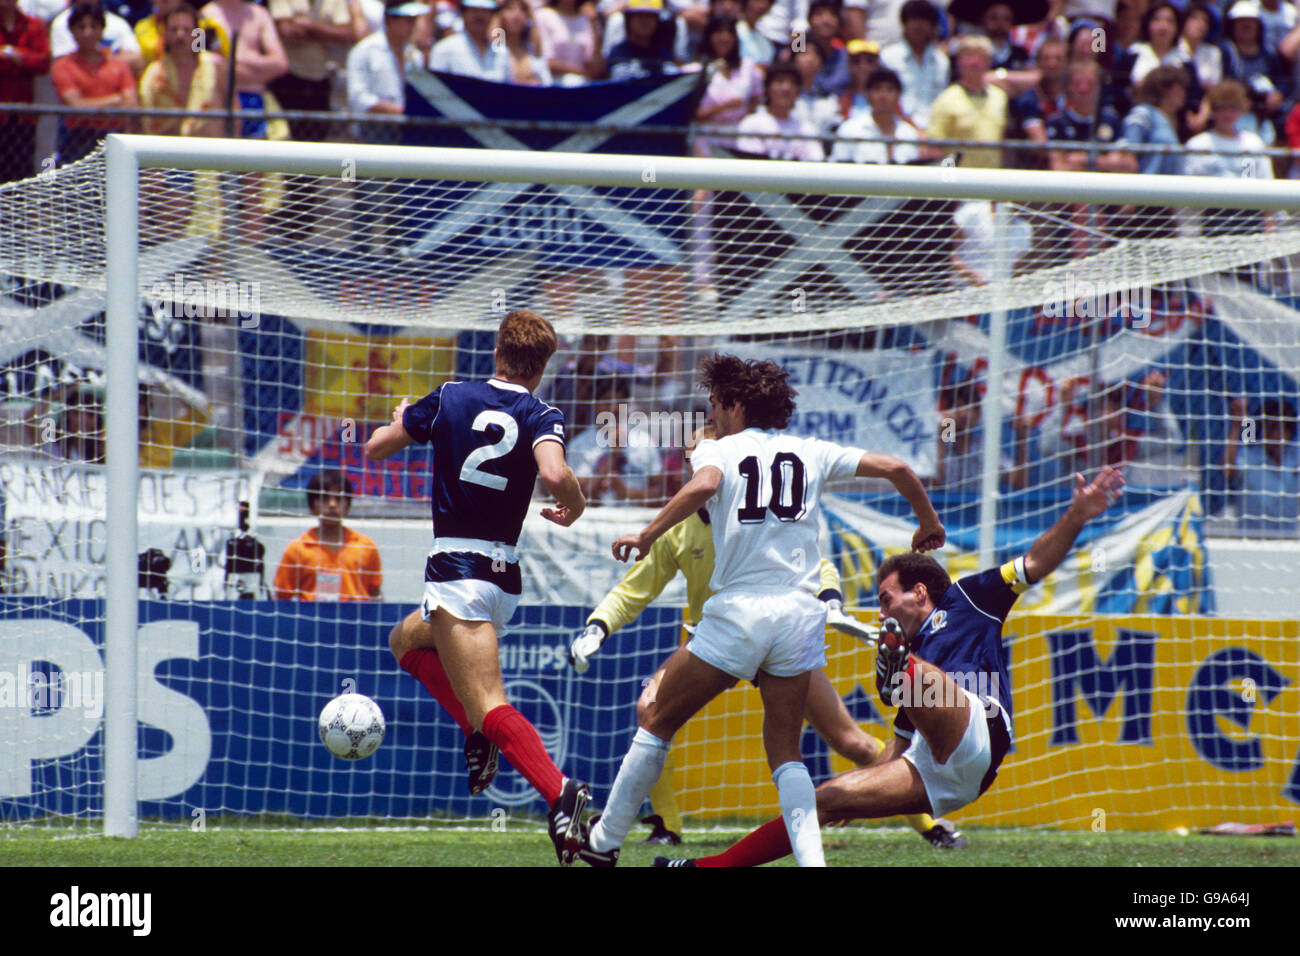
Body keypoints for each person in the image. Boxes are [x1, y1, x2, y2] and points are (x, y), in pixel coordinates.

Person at [575, 353, 946, 866]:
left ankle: (603, 842)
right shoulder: (811, 450)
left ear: (735, 403)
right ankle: (812, 865)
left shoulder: (719, 448)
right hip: (799, 615)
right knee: (786, 753)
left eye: (715, 403)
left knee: (657, 716)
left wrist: (646, 532)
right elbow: (898, 467)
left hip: (739, 612)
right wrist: (927, 522)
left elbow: (704, 485)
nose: (713, 414)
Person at [658, 466, 1126, 867]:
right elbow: (898, 747)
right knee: (821, 799)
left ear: (920, 592)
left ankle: (899, 672)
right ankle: (707, 866)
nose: (880, 611)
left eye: (886, 600)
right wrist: (858, 793)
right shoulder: (912, 649)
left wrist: (1078, 514)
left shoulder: (970, 599)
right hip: (936, 772)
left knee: (922, 679)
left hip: (977, 731)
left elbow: (1034, 563)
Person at [363, 309, 594, 865]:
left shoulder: (448, 396)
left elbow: (374, 449)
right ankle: (478, 729)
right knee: (405, 641)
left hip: (456, 569)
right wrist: (576, 506)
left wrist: (400, 416)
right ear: (541, 368)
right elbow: (557, 476)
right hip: (501, 574)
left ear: (496, 352)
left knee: (490, 702)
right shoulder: (542, 411)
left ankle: (561, 793)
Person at [272, 469, 383, 601]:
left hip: (356, 620)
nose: (332, 504)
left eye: (339, 498)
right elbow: (281, 599)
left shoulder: (366, 546)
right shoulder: (297, 549)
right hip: (312, 620)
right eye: (324, 498)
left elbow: (375, 595)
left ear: (348, 506)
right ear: (312, 507)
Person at [51, 1, 138, 164]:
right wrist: (115, 99)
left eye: (93, 26)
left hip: (114, 137)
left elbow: (132, 105)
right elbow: (75, 106)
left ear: (102, 29)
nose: (87, 32)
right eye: (81, 27)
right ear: (72, 30)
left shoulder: (119, 65)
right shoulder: (63, 66)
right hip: (77, 140)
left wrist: (91, 106)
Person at [926, 34, 1007, 168]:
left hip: (991, 180)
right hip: (958, 181)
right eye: (968, 56)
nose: (974, 62)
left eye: (980, 57)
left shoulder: (1000, 97)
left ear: (989, 62)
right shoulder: (946, 99)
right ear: (958, 62)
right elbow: (934, 147)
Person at [1224, 396, 1299, 533]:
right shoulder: (1250, 458)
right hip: (1252, 540)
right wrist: (1237, 423)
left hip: (1288, 541)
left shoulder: (1295, 459)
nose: (1277, 436)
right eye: (1272, 429)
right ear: (1263, 431)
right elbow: (1228, 469)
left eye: (1283, 430)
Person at [0, 0, 51, 183]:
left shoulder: (33, 24)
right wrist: (19, 61)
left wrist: (15, 55)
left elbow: (43, 62)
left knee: (20, 175)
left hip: (23, 114)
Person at [829, 65, 921, 163]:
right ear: (867, 95)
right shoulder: (850, 130)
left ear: (898, 95)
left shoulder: (908, 134)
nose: (883, 96)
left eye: (890, 90)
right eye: (877, 89)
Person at [735, 61, 825, 160]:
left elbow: (816, 163)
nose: (786, 88)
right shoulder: (751, 124)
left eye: (792, 84)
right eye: (779, 82)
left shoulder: (807, 130)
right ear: (768, 88)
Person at [879, 0, 948, 128]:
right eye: (914, 19)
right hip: (898, 127)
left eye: (924, 20)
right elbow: (885, 99)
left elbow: (942, 101)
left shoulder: (941, 61)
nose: (918, 26)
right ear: (904, 23)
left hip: (935, 130)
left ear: (932, 26)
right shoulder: (888, 57)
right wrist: (912, 128)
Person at [535, 0, 603, 85]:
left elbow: (595, 68)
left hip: (583, 85)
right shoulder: (544, 15)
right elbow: (547, 62)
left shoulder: (588, 19)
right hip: (554, 84)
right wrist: (582, 73)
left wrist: (594, 24)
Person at [492, 0, 551, 84]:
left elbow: (547, 83)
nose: (516, 15)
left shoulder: (533, 53)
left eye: (522, 10)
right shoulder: (495, 50)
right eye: (510, 9)